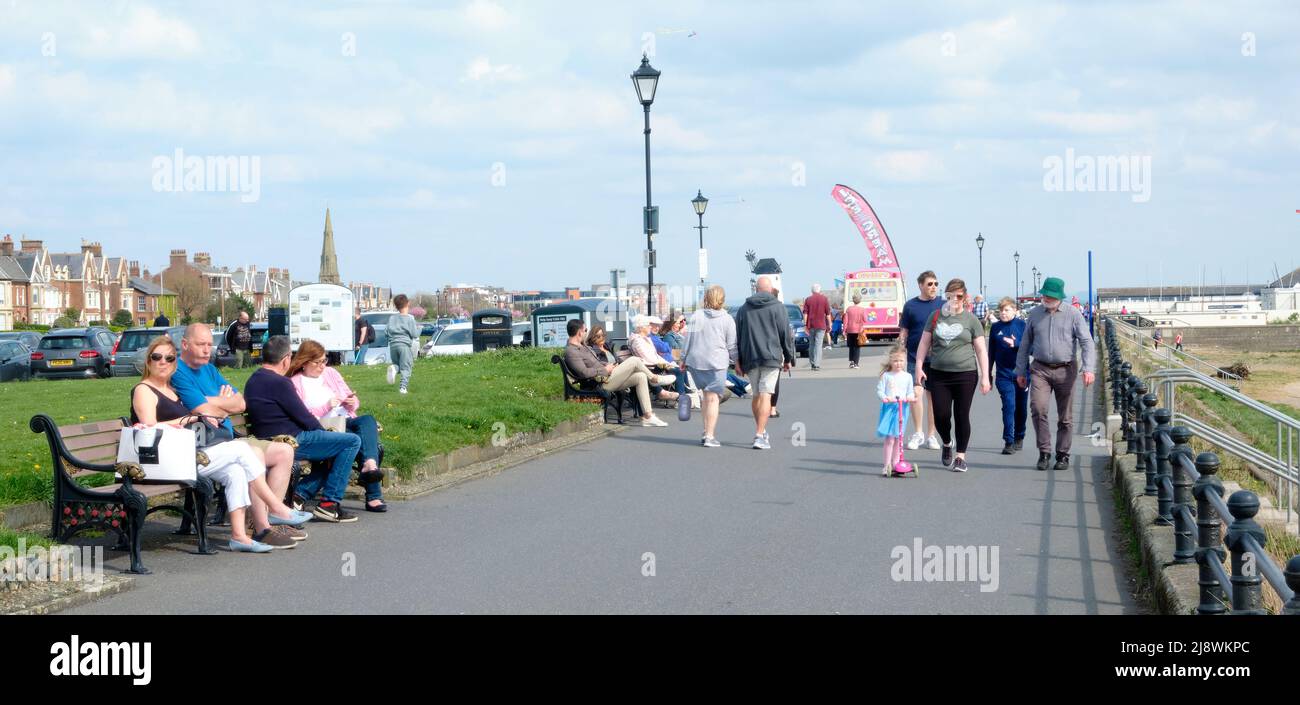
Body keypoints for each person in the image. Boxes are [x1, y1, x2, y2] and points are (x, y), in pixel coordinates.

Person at [131, 336, 312, 552]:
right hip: (161, 462)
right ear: (148, 361)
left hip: (185, 455)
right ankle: (275, 507)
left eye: (169, 358)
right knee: (242, 449)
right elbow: (149, 427)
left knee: (235, 471)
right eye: (157, 357)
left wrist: (210, 410)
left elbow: (211, 408)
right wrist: (188, 419)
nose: (163, 362)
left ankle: (239, 536)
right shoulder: (144, 389)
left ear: (174, 363)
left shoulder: (172, 390)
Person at [169, 324, 300, 531]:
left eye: (209, 344)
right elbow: (202, 409)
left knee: (284, 451)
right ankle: (262, 528)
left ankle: (271, 517)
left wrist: (216, 404)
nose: (206, 350)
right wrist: (222, 401)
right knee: (254, 454)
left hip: (227, 438)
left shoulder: (210, 370)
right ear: (185, 344)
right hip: (207, 444)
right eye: (200, 344)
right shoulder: (177, 372)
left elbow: (241, 403)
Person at [245, 335, 363, 522]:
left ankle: (302, 494)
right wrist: (324, 434)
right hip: (292, 439)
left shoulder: (254, 379)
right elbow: (304, 417)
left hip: (267, 439)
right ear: (286, 359)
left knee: (336, 448)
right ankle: (329, 503)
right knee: (351, 442)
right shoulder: (280, 382)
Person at [288, 340, 388, 512]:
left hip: (344, 419)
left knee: (367, 420)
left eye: (324, 360)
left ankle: (369, 464)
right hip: (323, 427)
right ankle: (373, 496)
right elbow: (302, 414)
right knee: (354, 443)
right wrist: (327, 405)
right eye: (317, 362)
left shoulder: (330, 373)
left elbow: (352, 399)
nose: (322, 366)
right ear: (304, 362)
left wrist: (350, 401)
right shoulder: (295, 382)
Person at [1015, 276, 1097, 471]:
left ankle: (1062, 454)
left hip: (1066, 369)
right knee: (1038, 408)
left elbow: (1087, 342)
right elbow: (1025, 344)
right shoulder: (1035, 314)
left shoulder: (1073, 314)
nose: (1047, 298)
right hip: (1040, 368)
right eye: (1045, 294)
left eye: (1051, 295)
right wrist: (1020, 370)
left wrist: (1089, 369)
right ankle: (1044, 452)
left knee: (1065, 417)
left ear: (1060, 296)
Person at [914, 278, 991, 472]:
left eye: (959, 296)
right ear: (946, 296)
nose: (954, 299)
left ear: (964, 297)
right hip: (939, 373)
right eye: (950, 295)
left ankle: (960, 456)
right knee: (941, 414)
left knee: (961, 414)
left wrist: (985, 376)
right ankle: (947, 443)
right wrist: (918, 366)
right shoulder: (935, 316)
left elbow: (981, 350)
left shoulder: (971, 320)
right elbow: (924, 343)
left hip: (966, 373)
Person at [563, 319, 671, 427]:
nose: (586, 332)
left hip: (607, 378)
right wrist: (606, 370)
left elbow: (596, 363)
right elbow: (584, 372)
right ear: (580, 332)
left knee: (640, 376)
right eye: (585, 330)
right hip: (599, 384)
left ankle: (648, 416)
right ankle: (654, 378)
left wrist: (608, 366)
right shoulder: (571, 351)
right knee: (634, 360)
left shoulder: (583, 346)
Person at [735, 276, 796, 450]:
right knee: (766, 395)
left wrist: (737, 361)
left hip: (750, 356)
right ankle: (760, 434)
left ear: (756, 289)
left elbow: (737, 337)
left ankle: (760, 430)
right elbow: (785, 334)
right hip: (771, 357)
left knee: (756, 395)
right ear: (770, 290)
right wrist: (789, 358)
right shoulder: (778, 307)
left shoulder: (743, 309)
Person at [683, 285, 737, 448]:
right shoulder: (727, 319)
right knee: (713, 399)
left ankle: (706, 430)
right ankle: (709, 436)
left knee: (706, 397)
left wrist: (683, 359)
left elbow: (688, 339)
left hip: (697, 362)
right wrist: (737, 362)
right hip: (716, 362)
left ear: (706, 298)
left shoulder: (696, 316)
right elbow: (732, 345)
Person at [899, 270, 944, 450]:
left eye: (935, 284)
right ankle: (918, 433)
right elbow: (904, 331)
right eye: (929, 284)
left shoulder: (942, 304)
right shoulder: (910, 306)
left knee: (933, 397)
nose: (933, 287)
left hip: (937, 358)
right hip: (913, 357)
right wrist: (900, 350)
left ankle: (932, 435)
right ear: (920, 285)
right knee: (915, 395)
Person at [989, 297, 1028, 455]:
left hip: (1022, 374)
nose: (1003, 313)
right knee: (1009, 406)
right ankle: (1008, 441)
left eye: (1007, 310)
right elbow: (991, 352)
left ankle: (1020, 435)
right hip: (1003, 375)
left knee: (1021, 408)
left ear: (1015, 311)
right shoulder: (995, 327)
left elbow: (1031, 349)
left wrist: (1016, 344)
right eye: (1001, 310)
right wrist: (987, 374)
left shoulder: (1022, 326)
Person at [876, 346, 916, 476]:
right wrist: (885, 397)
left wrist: (910, 397)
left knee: (899, 437)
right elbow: (880, 390)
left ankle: (896, 463)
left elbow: (910, 391)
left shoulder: (908, 376)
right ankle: (886, 465)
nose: (898, 363)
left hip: (902, 408)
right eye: (896, 361)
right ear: (891, 362)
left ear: (905, 361)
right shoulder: (886, 376)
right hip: (890, 408)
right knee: (890, 438)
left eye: (901, 361)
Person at [629, 314, 683, 405]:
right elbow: (648, 357)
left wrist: (666, 362)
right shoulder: (638, 340)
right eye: (648, 325)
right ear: (641, 327)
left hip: (656, 364)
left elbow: (659, 352)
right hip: (651, 367)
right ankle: (681, 397)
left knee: (679, 368)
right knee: (678, 370)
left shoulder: (646, 338)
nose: (650, 327)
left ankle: (683, 395)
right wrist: (664, 364)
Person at [387, 294, 419, 394]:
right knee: (406, 367)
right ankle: (403, 388)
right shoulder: (410, 318)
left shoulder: (392, 318)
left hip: (393, 345)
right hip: (404, 345)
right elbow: (414, 334)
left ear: (396, 306)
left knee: (398, 365)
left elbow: (386, 332)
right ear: (408, 303)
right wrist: (419, 329)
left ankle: (394, 368)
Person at [802, 283, 831, 370]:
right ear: (820, 290)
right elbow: (828, 314)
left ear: (812, 291)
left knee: (811, 344)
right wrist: (830, 324)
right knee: (818, 344)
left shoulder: (808, 299)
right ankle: (817, 364)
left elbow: (805, 313)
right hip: (821, 325)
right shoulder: (824, 299)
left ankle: (812, 362)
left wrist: (805, 325)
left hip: (811, 325)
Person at [843, 293, 868, 369]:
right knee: (857, 347)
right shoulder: (862, 309)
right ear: (860, 300)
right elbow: (865, 319)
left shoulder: (848, 309)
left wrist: (844, 330)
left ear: (853, 300)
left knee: (851, 346)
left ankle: (851, 362)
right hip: (859, 330)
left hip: (850, 330)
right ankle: (856, 363)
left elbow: (845, 321)